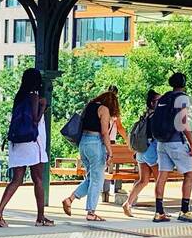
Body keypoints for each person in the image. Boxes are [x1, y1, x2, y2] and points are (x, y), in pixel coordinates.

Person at [0, 66, 54, 228]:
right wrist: (43, 107)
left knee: (16, 179)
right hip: (33, 143)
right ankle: (40, 217)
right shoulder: (34, 96)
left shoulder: (19, 96)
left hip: (17, 142)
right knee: (38, 179)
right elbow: (35, 119)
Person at [62, 86, 118, 221]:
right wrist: (110, 152)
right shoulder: (104, 109)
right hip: (95, 144)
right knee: (97, 181)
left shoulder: (89, 106)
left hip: (83, 144)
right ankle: (91, 212)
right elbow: (104, 133)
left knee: (90, 179)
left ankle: (70, 199)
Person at [151, 70, 192, 223]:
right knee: (189, 174)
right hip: (176, 141)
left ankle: (159, 212)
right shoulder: (182, 98)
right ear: (184, 84)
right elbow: (182, 122)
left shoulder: (164, 97)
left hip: (161, 142)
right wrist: (191, 143)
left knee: (162, 175)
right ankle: (184, 211)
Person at [122, 89, 159, 218]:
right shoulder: (155, 116)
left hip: (140, 151)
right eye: (158, 100)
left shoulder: (144, 115)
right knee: (159, 179)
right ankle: (159, 210)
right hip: (151, 150)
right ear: (152, 102)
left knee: (143, 180)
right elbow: (157, 135)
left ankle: (128, 203)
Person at [99, 79, 127, 205]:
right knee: (113, 165)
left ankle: (103, 192)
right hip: (110, 140)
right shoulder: (114, 109)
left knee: (102, 166)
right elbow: (120, 127)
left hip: (98, 139)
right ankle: (114, 190)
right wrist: (127, 140)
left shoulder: (99, 106)